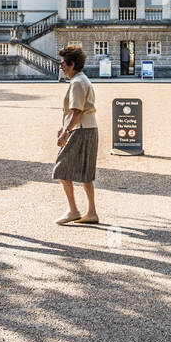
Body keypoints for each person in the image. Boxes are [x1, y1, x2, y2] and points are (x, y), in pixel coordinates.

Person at [52, 45, 100, 224]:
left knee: (62, 168)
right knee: (85, 173)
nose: (61, 66)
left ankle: (73, 210)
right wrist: (64, 126)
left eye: (63, 63)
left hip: (80, 130)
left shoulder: (77, 83)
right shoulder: (82, 79)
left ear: (72, 64)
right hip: (88, 128)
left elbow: (77, 111)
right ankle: (91, 212)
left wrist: (65, 132)